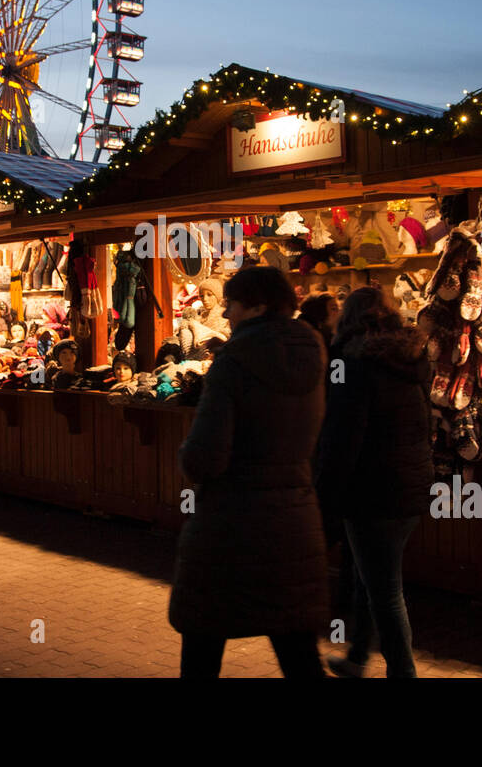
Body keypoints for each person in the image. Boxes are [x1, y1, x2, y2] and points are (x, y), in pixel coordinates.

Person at [168, 266, 329, 678]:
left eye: (231, 305)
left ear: (256, 305)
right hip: (295, 519)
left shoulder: (234, 362)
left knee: (203, 642)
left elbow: (206, 456)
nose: (227, 315)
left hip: (231, 524)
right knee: (298, 650)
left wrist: (188, 456)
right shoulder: (312, 353)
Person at [314, 287, 433, 678]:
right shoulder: (410, 360)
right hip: (410, 482)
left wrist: (325, 494)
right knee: (373, 576)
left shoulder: (354, 364)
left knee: (385, 590)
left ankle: (403, 671)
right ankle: (359, 656)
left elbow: (342, 437)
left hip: (372, 489)